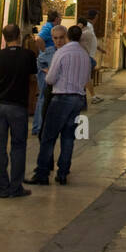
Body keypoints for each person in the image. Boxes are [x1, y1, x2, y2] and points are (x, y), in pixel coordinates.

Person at [29, 25, 90, 186]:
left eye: (61, 37)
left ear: (68, 37)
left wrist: (49, 73)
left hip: (61, 97)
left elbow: (50, 79)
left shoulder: (62, 53)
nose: (58, 41)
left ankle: (42, 173)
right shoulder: (84, 55)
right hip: (78, 98)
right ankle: (62, 173)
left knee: (48, 137)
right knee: (68, 137)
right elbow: (86, 79)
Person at [0, 23, 36, 199]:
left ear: (4, 37)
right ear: (19, 35)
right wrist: (31, 103)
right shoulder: (28, 55)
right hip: (18, 105)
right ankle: (15, 187)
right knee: (18, 146)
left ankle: (2, 186)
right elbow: (32, 79)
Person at [32, 24, 62, 136]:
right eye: (55, 38)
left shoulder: (65, 51)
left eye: (61, 37)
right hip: (47, 82)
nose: (58, 41)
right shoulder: (49, 51)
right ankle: (38, 127)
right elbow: (39, 61)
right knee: (42, 99)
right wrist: (46, 70)